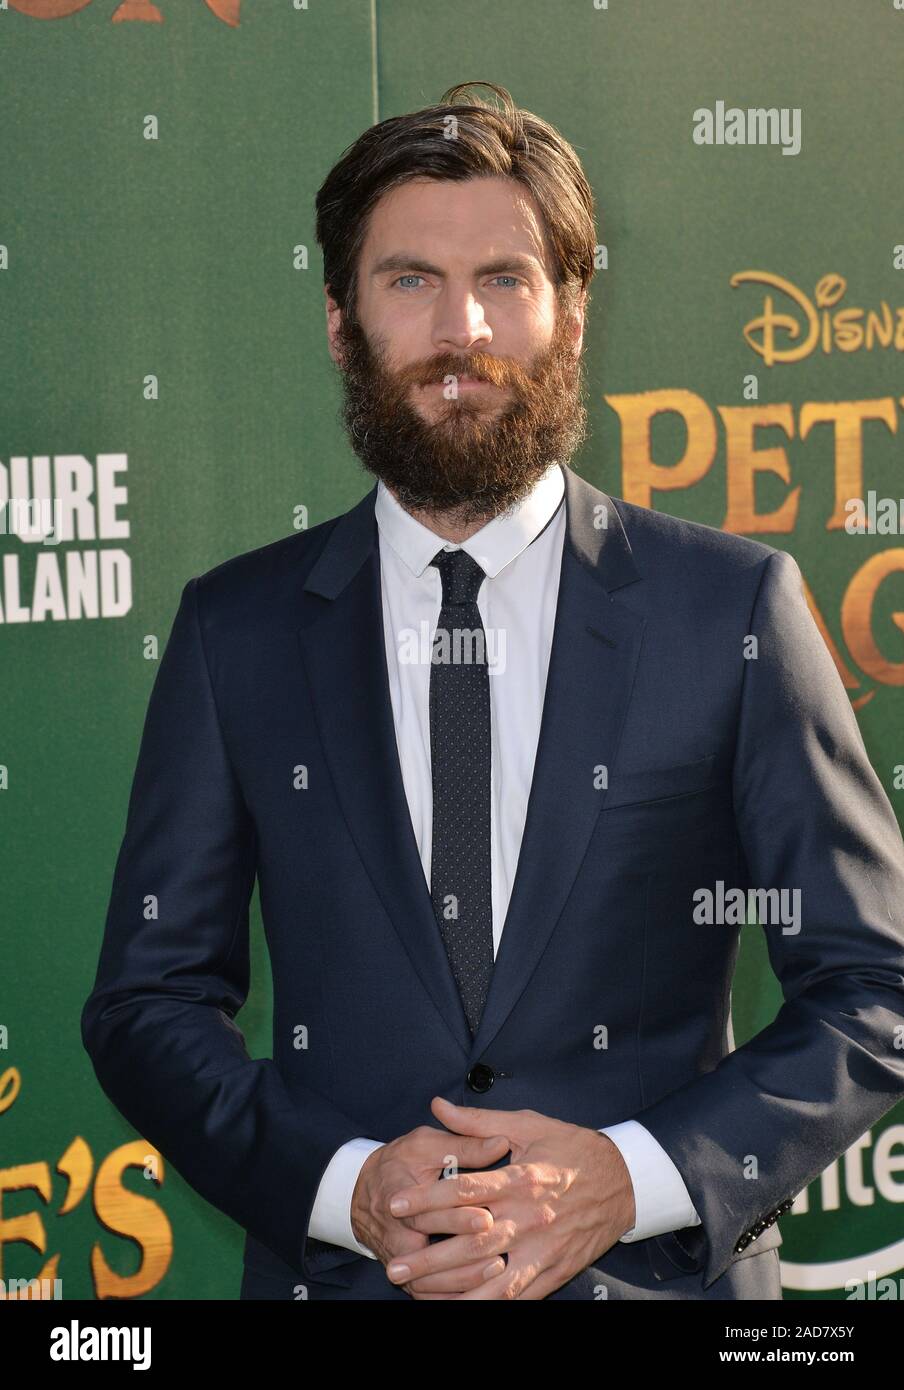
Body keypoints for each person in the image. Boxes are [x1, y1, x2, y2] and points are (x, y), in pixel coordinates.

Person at [82, 82, 904, 1301]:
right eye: (409, 279)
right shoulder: (234, 631)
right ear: (339, 322)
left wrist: (631, 1179)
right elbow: (148, 1003)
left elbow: (873, 988)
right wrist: (343, 1186)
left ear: (572, 315)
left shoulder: (729, 609)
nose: (459, 328)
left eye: (506, 280)